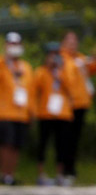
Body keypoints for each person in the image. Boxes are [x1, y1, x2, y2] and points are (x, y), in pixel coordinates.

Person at [0, 32, 32, 186]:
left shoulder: (25, 66)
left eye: (16, 44)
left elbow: (29, 89)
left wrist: (31, 110)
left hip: (21, 113)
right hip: (5, 112)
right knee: (7, 143)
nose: (14, 47)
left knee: (17, 145)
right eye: (11, 44)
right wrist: (5, 59)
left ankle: (11, 175)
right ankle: (3, 174)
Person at [32, 42, 75, 186]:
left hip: (63, 114)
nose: (54, 57)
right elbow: (35, 89)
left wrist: (59, 74)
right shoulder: (41, 72)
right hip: (45, 114)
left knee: (61, 145)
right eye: (51, 54)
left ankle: (60, 175)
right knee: (43, 144)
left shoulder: (65, 71)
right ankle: (41, 174)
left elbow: (71, 89)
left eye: (56, 54)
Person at [60, 32, 93, 186]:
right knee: (65, 138)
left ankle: (71, 169)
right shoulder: (61, 58)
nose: (72, 44)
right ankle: (64, 170)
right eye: (69, 41)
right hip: (66, 105)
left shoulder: (80, 58)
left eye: (75, 41)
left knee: (75, 138)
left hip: (81, 104)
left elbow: (92, 68)